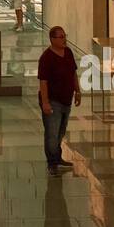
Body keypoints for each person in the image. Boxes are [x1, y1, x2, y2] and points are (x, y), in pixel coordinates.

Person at [38, 26, 81, 174]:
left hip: (66, 99)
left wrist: (78, 90)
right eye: (61, 37)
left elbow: (73, 72)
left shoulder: (68, 52)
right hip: (52, 100)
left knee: (61, 131)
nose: (64, 39)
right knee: (52, 132)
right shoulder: (46, 58)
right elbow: (43, 82)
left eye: (65, 36)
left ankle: (57, 157)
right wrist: (45, 102)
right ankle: (52, 163)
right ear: (52, 39)